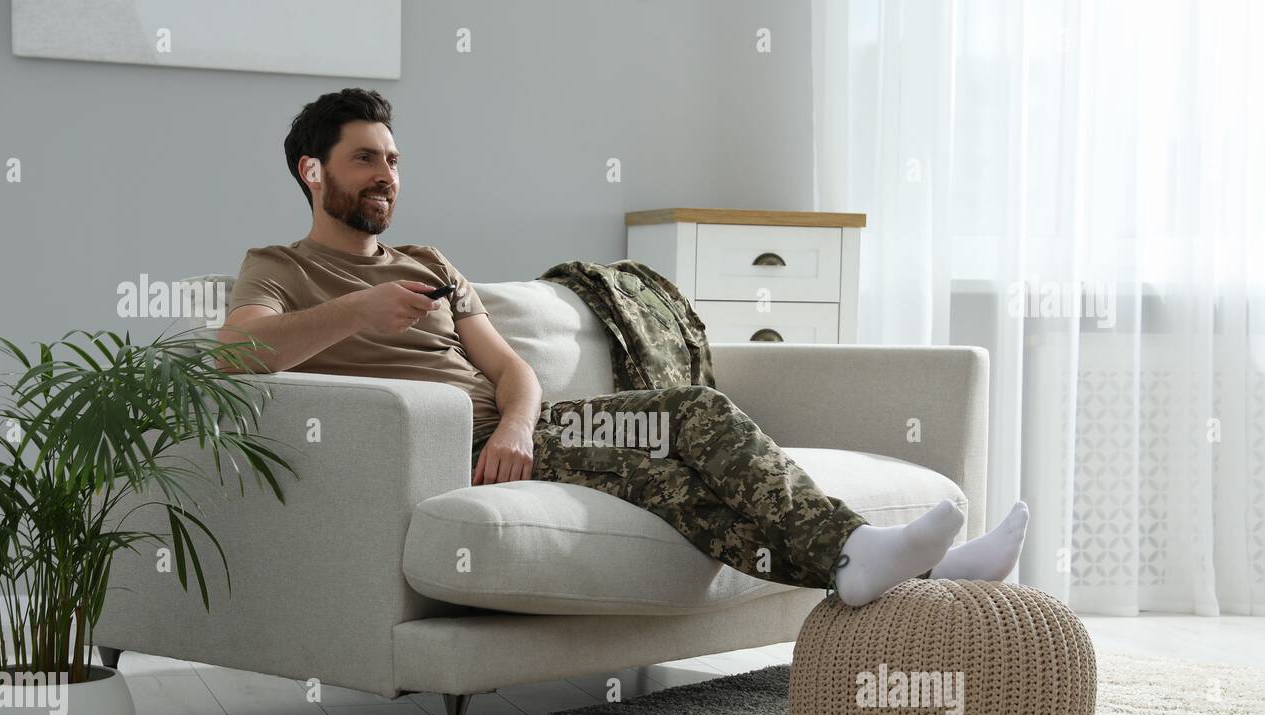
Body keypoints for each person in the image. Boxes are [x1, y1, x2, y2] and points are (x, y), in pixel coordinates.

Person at [218, 89, 1029, 607]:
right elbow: (236, 355)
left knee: (680, 451)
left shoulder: (430, 264)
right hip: (433, 447)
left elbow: (510, 369)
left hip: (513, 436)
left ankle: (900, 576)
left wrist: (515, 426)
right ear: (313, 171)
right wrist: (359, 309)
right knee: (684, 425)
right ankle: (883, 563)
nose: (386, 174)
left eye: (393, 159)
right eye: (365, 159)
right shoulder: (278, 267)